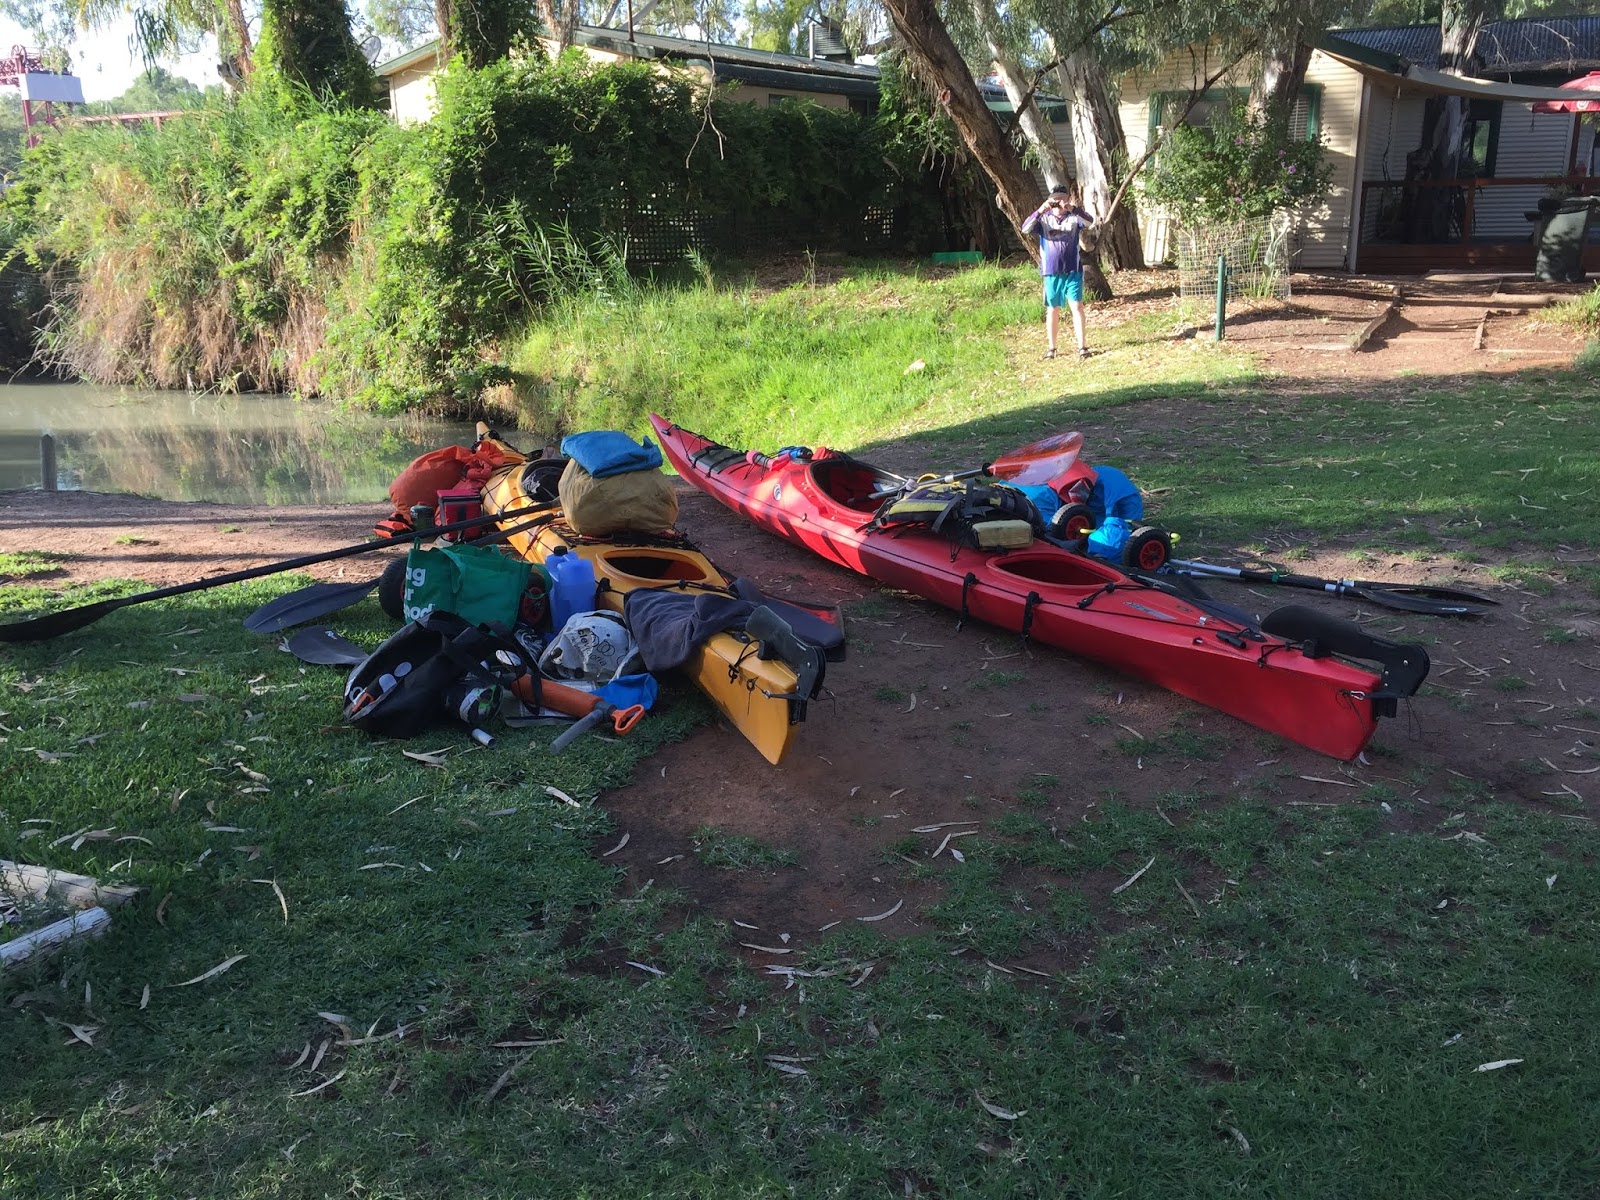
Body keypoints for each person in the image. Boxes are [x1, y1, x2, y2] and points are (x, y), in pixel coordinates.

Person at [1021, 185, 1095, 360]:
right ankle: (1052, 348)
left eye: (1063, 199)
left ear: (1068, 199)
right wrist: (1040, 210)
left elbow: (1090, 222)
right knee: (1053, 309)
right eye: (1056, 199)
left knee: (1077, 306)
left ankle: (1082, 347)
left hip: (1073, 270)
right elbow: (1025, 229)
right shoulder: (1044, 220)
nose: (1059, 203)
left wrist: (1072, 209)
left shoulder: (1073, 218)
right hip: (1051, 272)